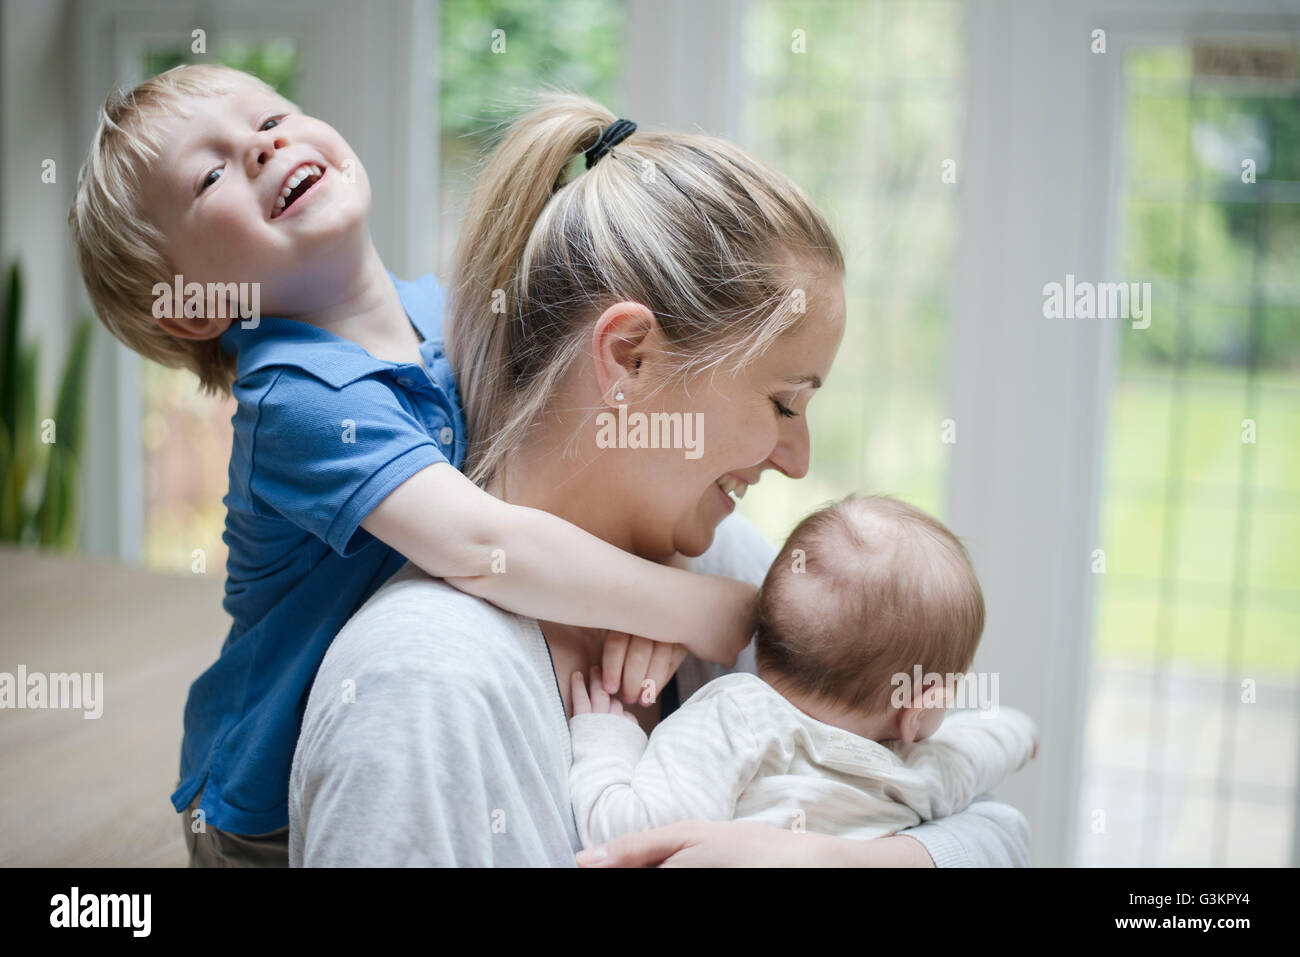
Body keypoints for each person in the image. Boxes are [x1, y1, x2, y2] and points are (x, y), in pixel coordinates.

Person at [289, 92, 1031, 866]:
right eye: (784, 402)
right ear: (631, 357)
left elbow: (998, 824)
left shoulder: (724, 568)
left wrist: (836, 861)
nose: (797, 459)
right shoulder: (425, 689)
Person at [67, 65, 755, 865]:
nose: (263, 148)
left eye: (271, 117)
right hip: (265, 804)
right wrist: (700, 609)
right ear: (194, 305)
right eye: (211, 172)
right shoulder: (296, 397)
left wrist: (655, 566)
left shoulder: (443, 311)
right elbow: (479, 542)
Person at [567, 494, 1039, 848]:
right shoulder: (922, 773)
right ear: (921, 708)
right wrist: (1025, 732)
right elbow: (995, 740)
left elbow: (631, 834)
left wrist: (607, 740)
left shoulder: (737, 719)